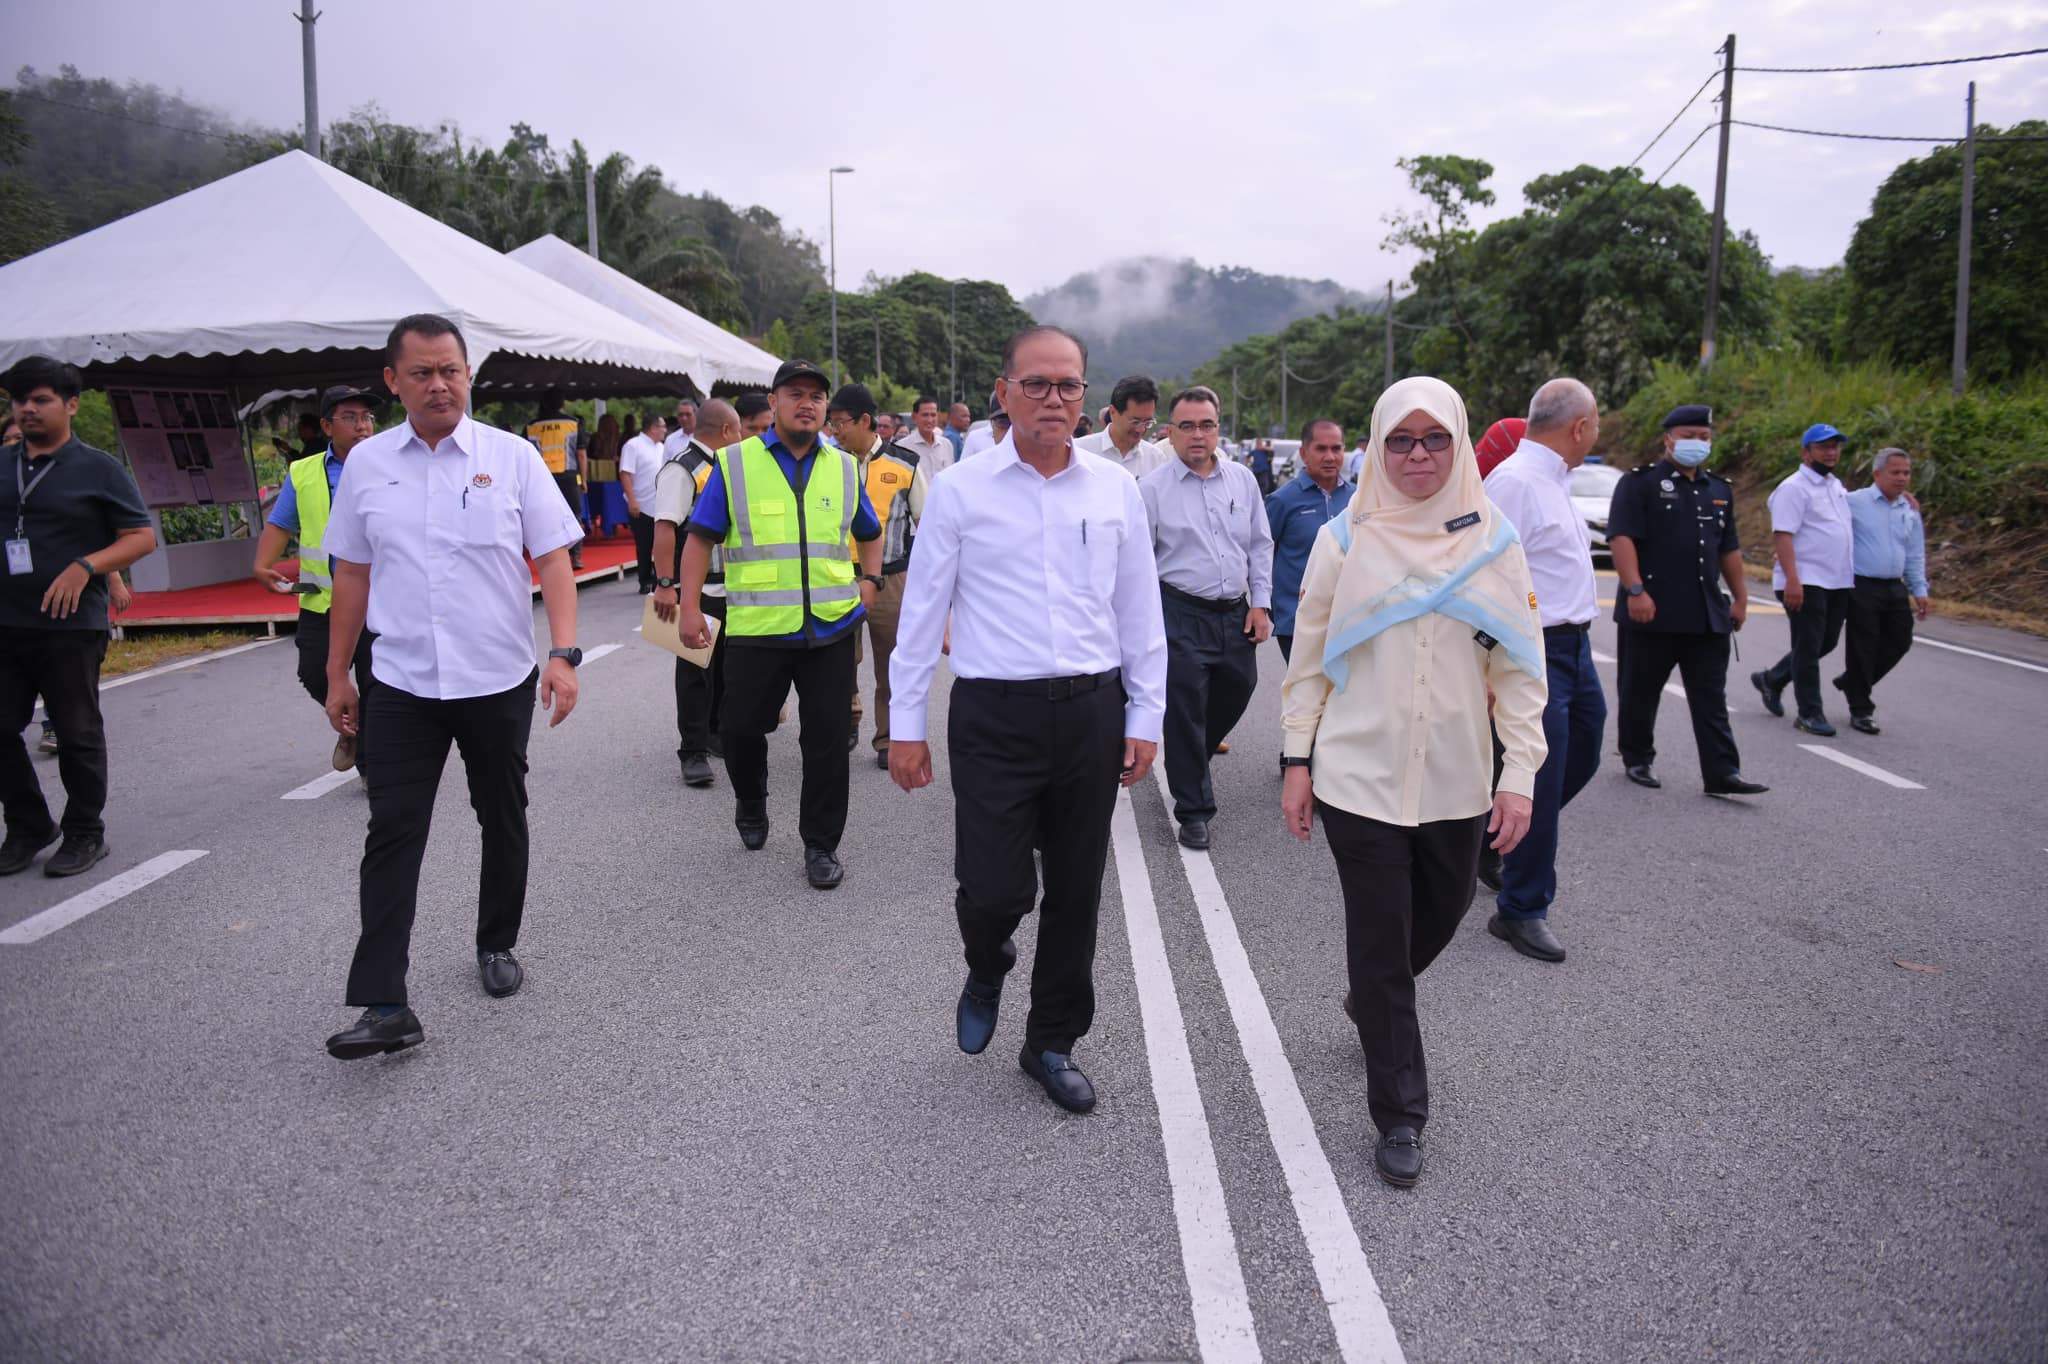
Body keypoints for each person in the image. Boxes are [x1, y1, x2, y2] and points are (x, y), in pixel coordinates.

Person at [887, 325, 1166, 1114]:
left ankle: (1051, 1041)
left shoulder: (1115, 492)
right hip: (994, 716)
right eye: (1037, 384)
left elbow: (1140, 613)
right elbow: (922, 617)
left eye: (1068, 385)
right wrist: (906, 724)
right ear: (1005, 392)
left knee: (1077, 890)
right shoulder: (962, 490)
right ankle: (987, 955)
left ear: (1085, 397)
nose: (1054, 399)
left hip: (1090, 713)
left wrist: (1145, 714)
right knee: (990, 887)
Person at [1279, 374, 1545, 1188]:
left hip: (1459, 779)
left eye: (1435, 438)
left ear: (1460, 443)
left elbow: (1522, 671)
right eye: (1402, 439)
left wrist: (1521, 774)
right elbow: (1308, 664)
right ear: (1378, 446)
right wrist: (1297, 761)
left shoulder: (1495, 544)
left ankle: (1371, 997)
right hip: (1358, 776)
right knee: (1382, 938)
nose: (1419, 454)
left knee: (1447, 908)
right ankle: (1400, 1113)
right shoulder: (1346, 543)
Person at [317, 313, 585, 1062]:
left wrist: (563, 652)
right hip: (401, 679)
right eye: (423, 373)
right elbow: (353, 574)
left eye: (452, 371)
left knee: (501, 811)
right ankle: (383, 1000)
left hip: (497, 677)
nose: (440, 385)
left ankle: (496, 942)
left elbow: (555, 558)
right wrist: (340, 672)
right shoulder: (369, 463)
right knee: (392, 829)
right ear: (393, 381)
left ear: (469, 375)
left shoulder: (512, 458)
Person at [676, 360, 884, 890]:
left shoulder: (841, 465)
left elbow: (869, 529)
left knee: (828, 740)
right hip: (758, 629)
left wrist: (871, 581)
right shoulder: (735, 464)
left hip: (831, 629)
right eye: (796, 393)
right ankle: (751, 799)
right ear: (775, 403)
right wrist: (688, 607)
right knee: (741, 730)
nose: (808, 403)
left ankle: (820, 844)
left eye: (817, 396)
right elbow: (699, 537)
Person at [0, 355, 158, 878]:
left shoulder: (98, 468)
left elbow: (139, 536)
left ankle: (85, 832)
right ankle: (27, 826)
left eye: (40, 399)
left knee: (75, 731)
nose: (28, 409)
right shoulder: (3, 465)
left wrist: (86, 566)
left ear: (70, 405)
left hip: (70, 625)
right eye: (20, 400)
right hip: (7, 621)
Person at [1479, 378, 1605, 964]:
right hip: (1534, 648)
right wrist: (1485, 667)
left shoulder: (1558, 482)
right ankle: (1521, 908)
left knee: (1585, 750)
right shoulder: (1516, 484)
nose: (1597, 431)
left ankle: (1493, 830)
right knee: (1542, 774)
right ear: (1579, 426)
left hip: (1575, 648)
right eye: (1596, 422)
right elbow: (1483, 580)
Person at [1607, 405, 1768, 796]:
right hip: (1652, 610)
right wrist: (1635, 590)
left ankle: (1722, 772)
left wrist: (1741, 599)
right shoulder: (1639, 483)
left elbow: (1728, 549)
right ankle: (1638, 758)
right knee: (1640, 690)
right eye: (1688, 436)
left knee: (1711, 697)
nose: (1697, 443)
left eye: (1703, 436)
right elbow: (1621, 537)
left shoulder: (1719, 489)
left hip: (1705, 613)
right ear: (1668, 439)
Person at [1139, 385, 1274, 851]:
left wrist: (1261, 603)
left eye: (1207, 425)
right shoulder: (1151, 490)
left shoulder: (1242, 480)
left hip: (1233, 613)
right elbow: (1138, 560)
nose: (1198, 435)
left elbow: (1259, 544)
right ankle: (1194, 811)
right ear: (1171, 433)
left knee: (1239, 687)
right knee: (1185, 708)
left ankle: (1188, 757)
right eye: (1188, 426)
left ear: (1219, 429)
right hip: (1178, 610)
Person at [255, 384, 386, 772]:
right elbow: (281, 523)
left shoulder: (390, 465)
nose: (362, 426)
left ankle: (371, 766)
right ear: (328, 426)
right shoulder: (304, 471)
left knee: (376, 681)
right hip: (321, 599)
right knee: (314, 673)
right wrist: (262, 563)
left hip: (379, 598)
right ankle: (354, 726)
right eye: (351, 418)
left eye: (367, 417)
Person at [827, 383, 927, 771]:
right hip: (839, 577)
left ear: (865, 421)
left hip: (891, 579)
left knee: (891, 664)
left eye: (840, 424)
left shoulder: (905, 465)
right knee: (839, 661)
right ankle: (847, 721)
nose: (835, 432)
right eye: (832, 425)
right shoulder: (828, 462)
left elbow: (927, 524)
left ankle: (887, 737)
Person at [652, 399, 743, 787]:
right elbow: (665, 528)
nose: (741, 438)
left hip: (730, 585)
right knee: (693, 671)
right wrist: (666, 585)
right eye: (738, 430)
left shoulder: (727, 468)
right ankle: (692, 751)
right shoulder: (683, 468)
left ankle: (715, 733)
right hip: (694, 588)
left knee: (723, 667)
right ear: (724, 431)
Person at [1753, 424, 1855, 736]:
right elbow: (1783, 535)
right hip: (1805, 580)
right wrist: (1792, 580)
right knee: (1809, 647)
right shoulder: (1793, 488)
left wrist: (1900, 496)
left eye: (1835, 446)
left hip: (1836, 580)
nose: (1831, 451)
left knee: (1826, 642)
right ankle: (1810, 713)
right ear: (1805, 452)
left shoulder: (1835, 485)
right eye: (1823, 446)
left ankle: (1773, 678)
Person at [1836, 447, 1928, 735]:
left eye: (1906, 473)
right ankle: (1861, 708)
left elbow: (1914, 552)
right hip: (1861, 584)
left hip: (1894, 586)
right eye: (1895, 472)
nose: (1902, 478)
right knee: (1863, 646)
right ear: (1877, 474)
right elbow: (1821, 519)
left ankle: (1853, 682)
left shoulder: (1908, 509)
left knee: (1900, 640)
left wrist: (1919, 588)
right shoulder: (1853, 501)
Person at [1265, 417, 1352, 665]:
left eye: (1336, 448)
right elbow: (1260, 555)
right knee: (1306, 698)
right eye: (1321, 449)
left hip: (1349, 620)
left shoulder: (1359, 499)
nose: (1330, 456)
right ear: (1304, 453)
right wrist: (1268, 606)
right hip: (1297, 623)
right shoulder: (1282, 500)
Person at [524, 390, 585, 570]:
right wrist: (585, 480)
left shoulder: (531, 426)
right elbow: (581, 454)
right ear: (562, 404)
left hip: (543, 478)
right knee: (575, 515)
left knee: (546, 518)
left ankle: (551, 559)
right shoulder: (573, 424)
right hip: (569, 475)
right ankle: (576, 557)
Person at [1075, 375, 1170, 478]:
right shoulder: (1080, 451)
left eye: (1147, 422)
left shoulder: (1155, 459)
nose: (1141, 429)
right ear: (1113, 412)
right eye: (1135, 422)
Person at [619, 412, 668, 593]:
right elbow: (625, 473)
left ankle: (660, 577)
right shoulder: (633, 446)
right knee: (644, 544)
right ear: (653, 428)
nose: (665, 430)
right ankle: (645, 579)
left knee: (661, 543)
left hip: (660, 503)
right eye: (662, 427)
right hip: (641, 503)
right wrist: (632, 500)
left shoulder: (661, 447)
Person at [896, 394, 953, 478]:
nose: (930, 420)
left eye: (933, 415)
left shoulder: (946, 445)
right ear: (914, 417)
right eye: (925, 415)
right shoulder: (901, 447)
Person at [586, 413, 623, 537]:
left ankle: (608, 525)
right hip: (603, 475)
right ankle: (609, 526)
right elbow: (593, 454)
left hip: (609, 475)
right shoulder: (598, 438)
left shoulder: (617, 438)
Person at [960, 395, 1009, 459]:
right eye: (1004, 423)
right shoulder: (975, 437)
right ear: (992, 421)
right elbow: (964, 467)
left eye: (1014, 423)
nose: (1010, 432)